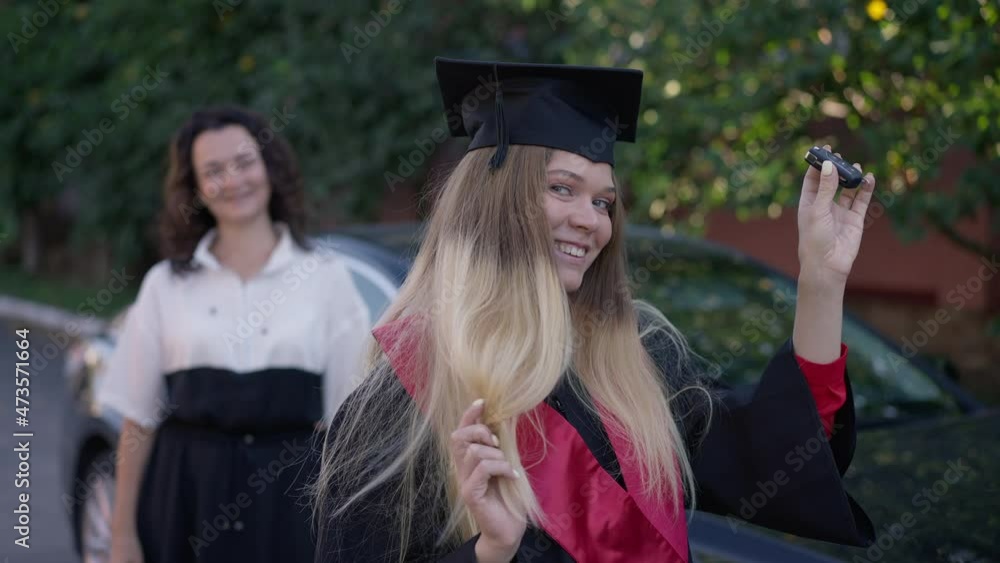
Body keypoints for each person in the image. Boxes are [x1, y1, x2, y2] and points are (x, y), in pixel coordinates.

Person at [312, 58, 876, 562]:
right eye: (563, 188)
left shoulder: (637, 363)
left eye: (604, 201)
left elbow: (776, 458)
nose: (591, 219)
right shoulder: (402, 401)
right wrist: (489, 552)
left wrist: (821, 283)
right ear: (494, 203)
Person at [100, 106, 371, 563]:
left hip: (291, 509)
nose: (233, 179)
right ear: (196, 188)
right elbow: (138, 421)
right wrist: (123, 536)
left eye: (244, 162)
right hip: (183, 502)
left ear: (270, 167)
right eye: (213, 171)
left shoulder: (327, 279)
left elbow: (353, 428)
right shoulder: (165, 284)